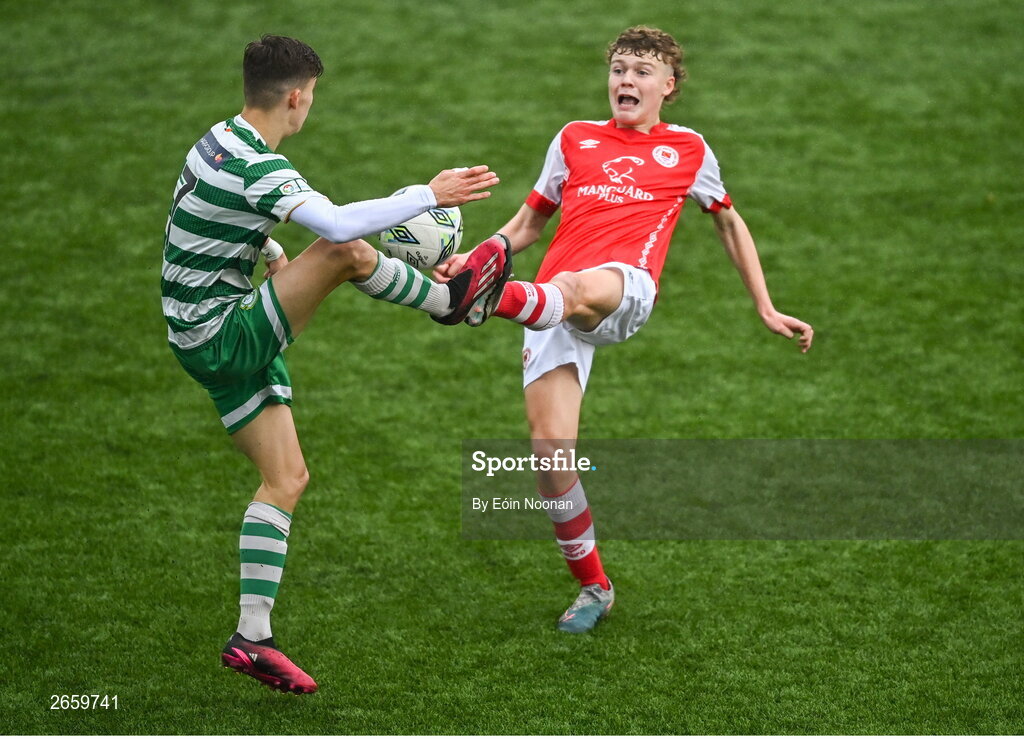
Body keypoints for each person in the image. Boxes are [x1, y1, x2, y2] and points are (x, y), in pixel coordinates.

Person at [435, 26, 813, 634]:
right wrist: (480, 252)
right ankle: (595, 588)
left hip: (621, 288)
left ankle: (476, 299)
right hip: (549, 301)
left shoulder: (689, 149)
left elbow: (728, 224)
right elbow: (528, 225)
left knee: (577, 287)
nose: (625, 81)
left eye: (641, 71)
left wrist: (765, 307)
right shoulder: (574, 139)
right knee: (550, 454)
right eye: (618, 69)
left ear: (668, 86)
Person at [162, 35, 511, 693]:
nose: (309, 108)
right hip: (221, 334)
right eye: (312, 98)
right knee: (343, 251)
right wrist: (425, 193)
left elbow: (202, 217)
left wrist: (267, 257)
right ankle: (449, 301)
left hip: (197, 331)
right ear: (296, 97)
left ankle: (252, 636)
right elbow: (339, 221)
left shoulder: (215, 142)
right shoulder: (261, 168)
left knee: (286, 477)